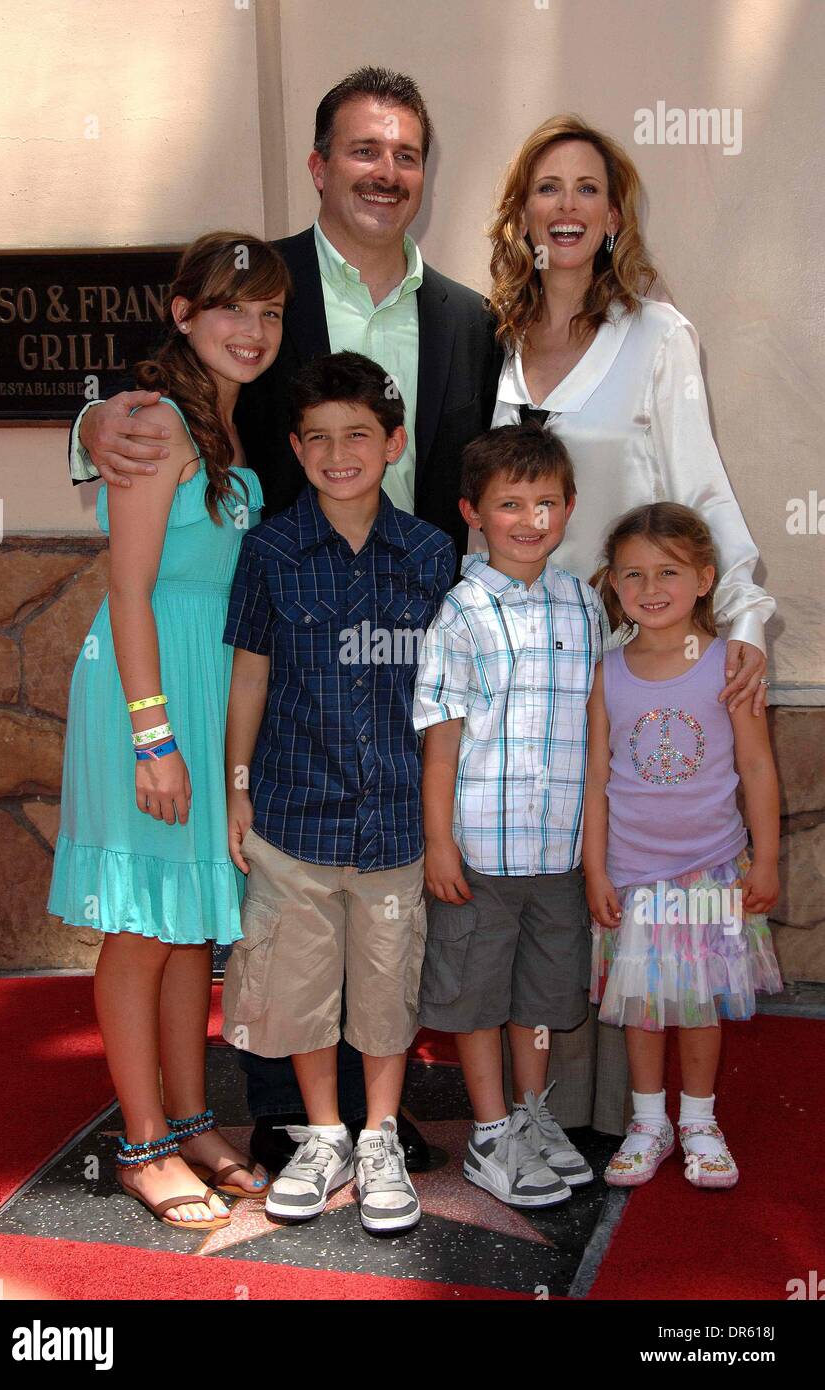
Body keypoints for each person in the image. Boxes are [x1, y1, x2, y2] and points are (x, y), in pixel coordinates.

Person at [66, 67, 501, 1169]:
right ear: (319, 166)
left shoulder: (465, 317)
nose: (384, 172)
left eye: (404, 154)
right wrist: (92, 421)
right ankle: (274, 1108)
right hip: (266, 641)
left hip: (388, 634)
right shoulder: (265, 279)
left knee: (339, 880)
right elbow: (146, 419)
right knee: (258, 890)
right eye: (363, 150)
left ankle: (357, 1109)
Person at [486, 114, 776, 1133]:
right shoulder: (487, 338)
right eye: (545, 188)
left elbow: (699, 488)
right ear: (521, 213)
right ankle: (544, 1110)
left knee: (628, 884)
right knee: (543, 886)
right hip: (518, 662)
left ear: (612, 216)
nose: (564, 206)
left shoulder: (656, 336)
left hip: (621, 654)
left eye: (585, 190)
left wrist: (736, 618)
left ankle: (634, 1109)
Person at [48, 232, 291, 1228]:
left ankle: (192, 1118)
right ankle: (142, 1139)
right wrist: (153, 736)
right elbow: (130, 589)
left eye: (270, 312)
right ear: (183, 313)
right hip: (144, 691)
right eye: (232, 307)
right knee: (144, 925)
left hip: (205, 688)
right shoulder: (151, 423)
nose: (253, 329)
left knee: (194, 921)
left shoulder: (228, 428)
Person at [221, 351, 457, 1233]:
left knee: (387, 988)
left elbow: (447, 699)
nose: (337, 452)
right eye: (316, 438)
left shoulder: (431, 554)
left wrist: (442, 818)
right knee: (301, 985)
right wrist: (239, 788)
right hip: (292, 814)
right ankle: (321, 1135)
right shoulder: (271, 550)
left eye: (357, 434)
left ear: (391, 443)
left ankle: (381, 1135)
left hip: (396, 820)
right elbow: (249, 678)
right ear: (295, 445)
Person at [413, 421, 606, 1208]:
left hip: (556, 853)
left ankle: (530, 1116)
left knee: (539, 998)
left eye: (546, 503)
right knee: (475, 993)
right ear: (473, 512)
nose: (530, 521)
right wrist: (438, 844)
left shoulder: (585, 604)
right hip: (480, 851)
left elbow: (595, 736)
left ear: (568, 509)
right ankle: (490, 1131)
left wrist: (594, 851)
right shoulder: (459, 613)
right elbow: (441, 743)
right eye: (510, 504)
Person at [584, 503, 782, 1187]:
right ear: (613, 583)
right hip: (632, 874)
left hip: (709, 871)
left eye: (667, 571)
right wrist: (594, 868)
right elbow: (596, 778)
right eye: (632, 574)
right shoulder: (605, 673)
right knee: (642, 1006)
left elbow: (756, 766)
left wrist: (766, 857)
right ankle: (648, 1123)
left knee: (697, 1004)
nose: (649, 586)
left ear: (703, 579)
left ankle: (699, 1120)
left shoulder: (731, 663)